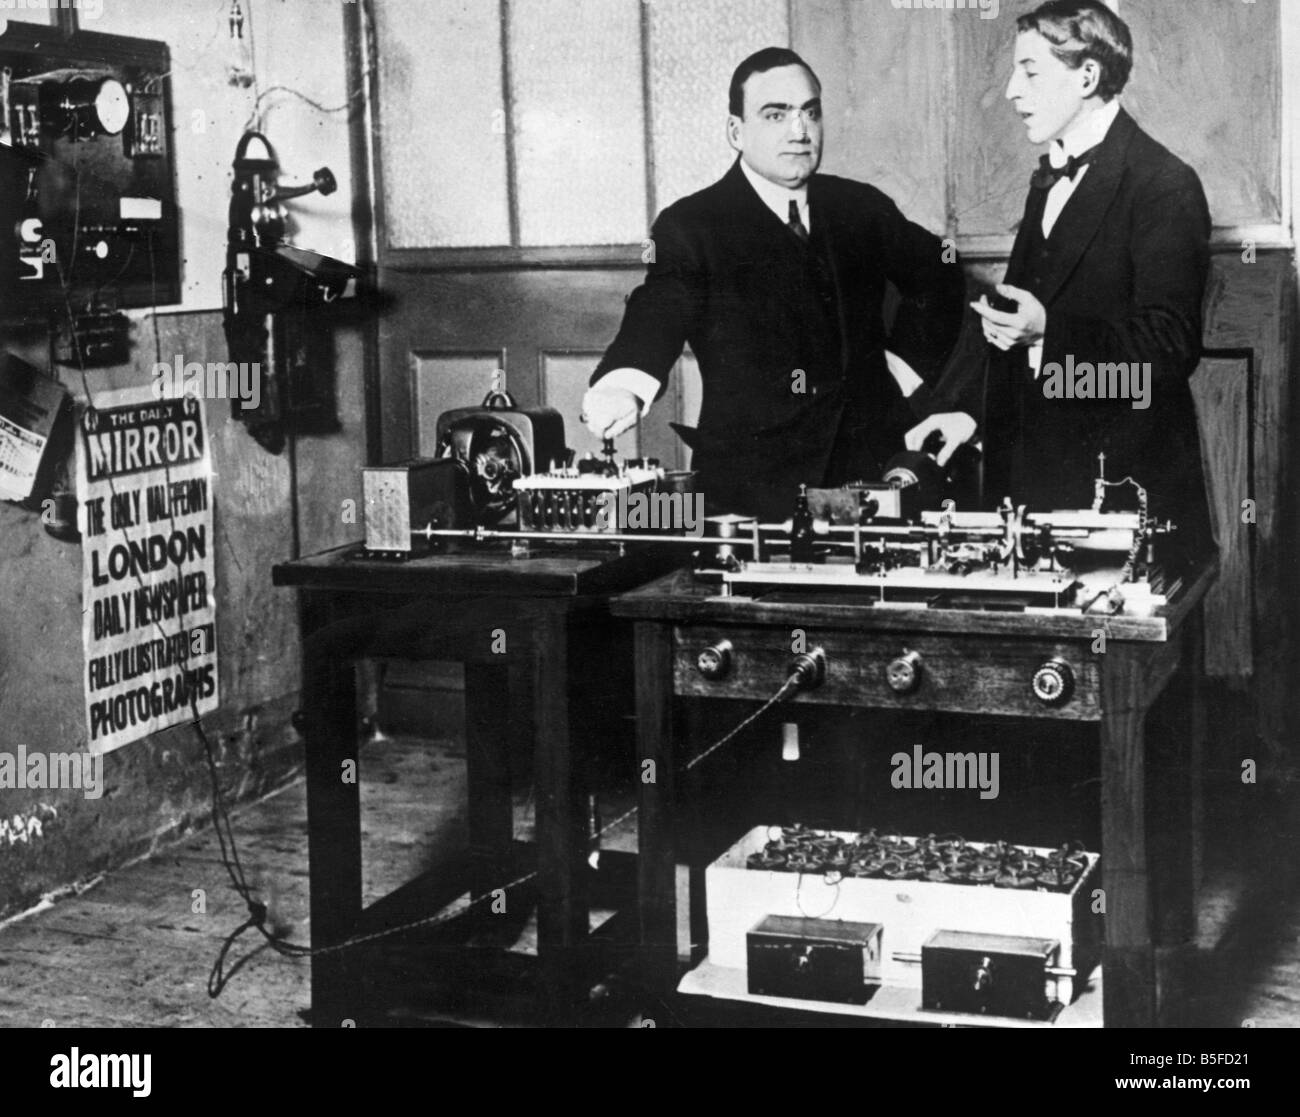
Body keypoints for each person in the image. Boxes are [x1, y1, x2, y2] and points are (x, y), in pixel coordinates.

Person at [581, 47, 967, 521]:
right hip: (752, 489)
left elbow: (941, 271)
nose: (800, 130)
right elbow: (661, 304)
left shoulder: (861, 208)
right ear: (736, 132)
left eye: (811, 112)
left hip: (872, 474)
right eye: (776, 114)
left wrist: (901, 369)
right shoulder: (692, 225)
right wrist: (624, 384)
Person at [908, 0, 1214, 556]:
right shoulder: (1048, 178)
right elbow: (1017, 328)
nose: (1010, 92)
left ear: (1088, 76)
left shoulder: (1164, 185)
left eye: (1029, 72)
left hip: (1126, 498)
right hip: (1041, 495)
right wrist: (968, 417)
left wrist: (1049, 331)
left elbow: (1170, 346)